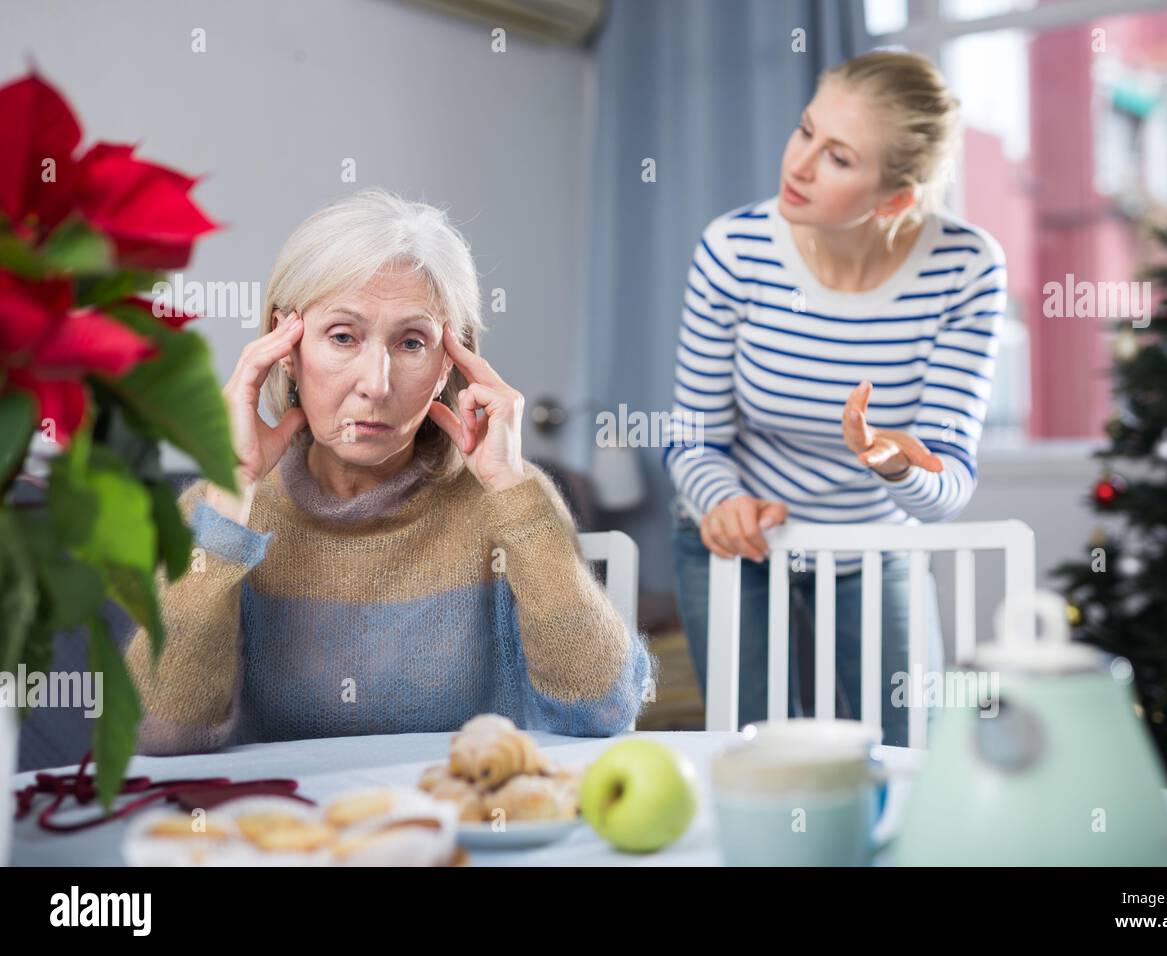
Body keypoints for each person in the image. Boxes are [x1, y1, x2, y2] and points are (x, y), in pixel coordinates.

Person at [127, 188, 655, 755]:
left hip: (466, 825)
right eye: (342, 336)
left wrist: (513, 492)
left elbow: (603, 715)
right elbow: (159, 738)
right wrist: (232, 493)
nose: (376, 384)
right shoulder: (215, 513)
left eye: (411, 342)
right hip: (287, 835)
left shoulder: (507, 498)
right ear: (285, 347)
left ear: (451, 360)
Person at [665, 51, 1006, 745]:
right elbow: (694, 438)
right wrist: (724, 503)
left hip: (876, 540)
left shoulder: (967, 267)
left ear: (896, 198)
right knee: (757, 753)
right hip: (740, 534)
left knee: (916, 747)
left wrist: (897, 465)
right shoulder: (734, 250)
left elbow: (949, 483)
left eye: (839, 158)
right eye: (805, 131)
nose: (798, 164)